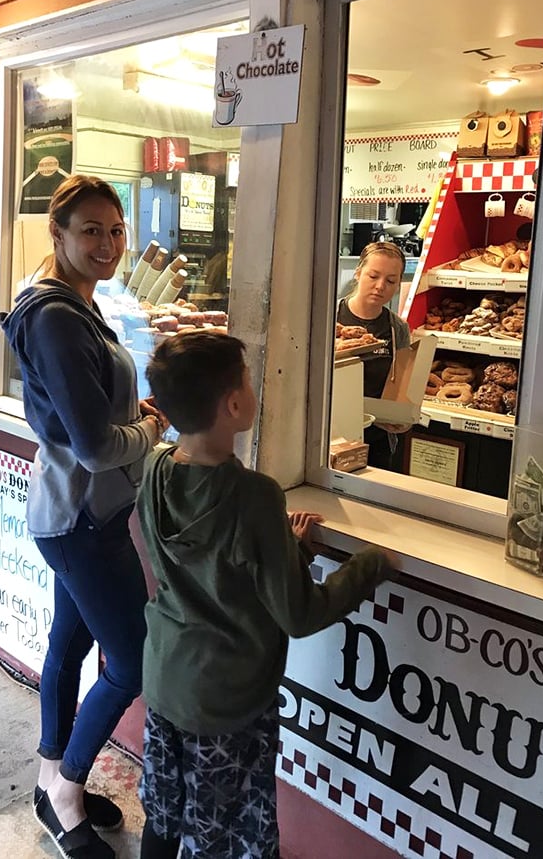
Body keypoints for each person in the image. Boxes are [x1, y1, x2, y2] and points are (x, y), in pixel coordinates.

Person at [136, 331, 399, 859]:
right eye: (250, 382)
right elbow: (300, 614)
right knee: (225, 834)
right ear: (234, 404)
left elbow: (208, 572)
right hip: (227, 700)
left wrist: (285, 547)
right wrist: (373, 564)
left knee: (165, 815)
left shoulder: (156, 467)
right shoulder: (254, 496)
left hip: (166, 676)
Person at [0, 175, 165, 859]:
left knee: (68, 646)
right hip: (82, 520)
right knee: (132, 662)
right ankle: (67, 794)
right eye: (90, 230)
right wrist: (152, 428)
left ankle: (48, 782)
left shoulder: (68, 300)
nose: (107, 244)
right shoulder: (59, 315)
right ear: (58, 233)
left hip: (72, 512)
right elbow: (97, 445)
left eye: (116, 229)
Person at [337, 240, 412, 468]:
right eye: (373, 276)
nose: (381, 286)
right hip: (332, 435)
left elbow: (401, 384)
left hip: (377, 439)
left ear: (398, 285)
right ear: (358, 274)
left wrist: (402, 418)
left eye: (391, 281)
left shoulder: (397, 328)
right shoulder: (329, 317)